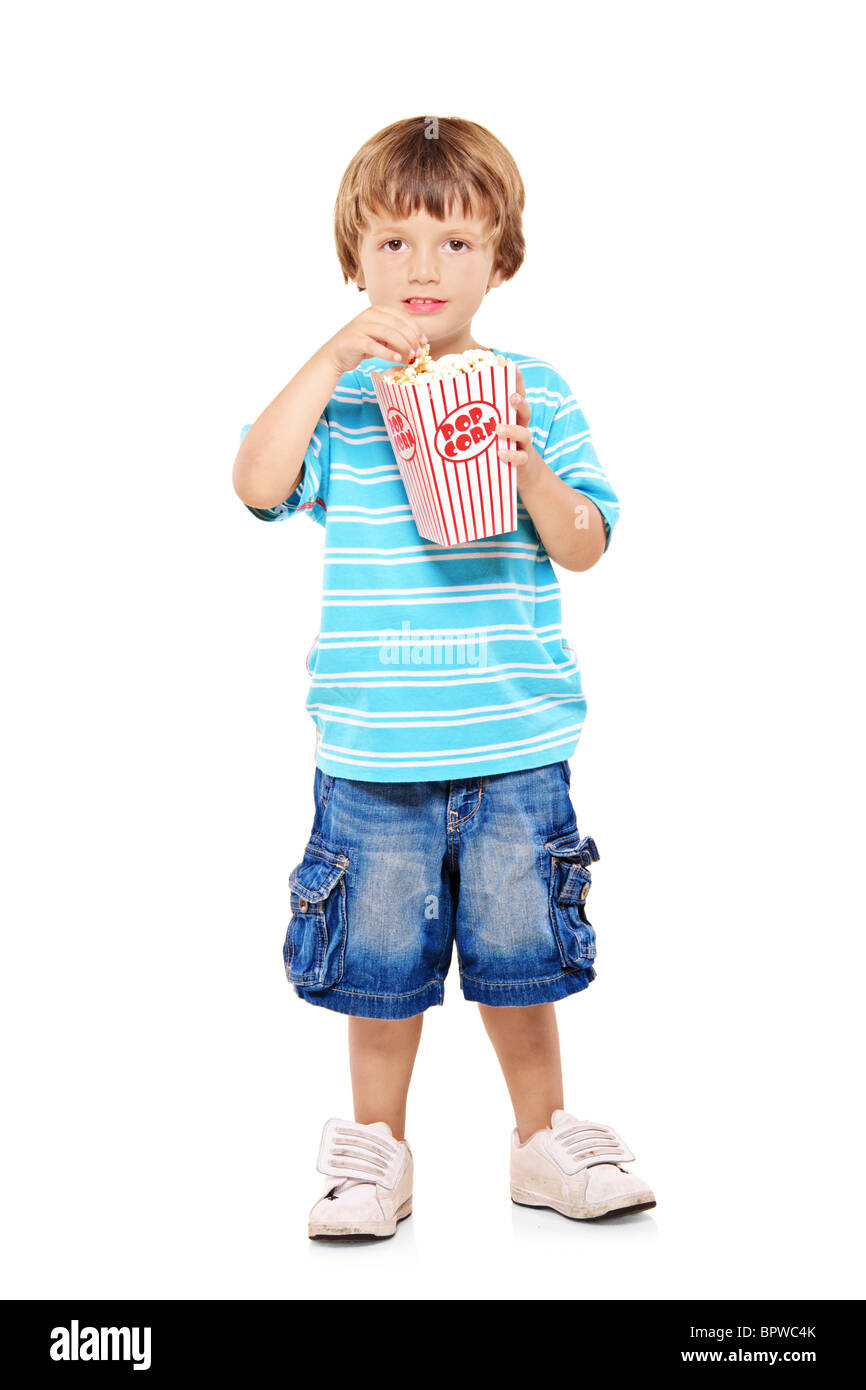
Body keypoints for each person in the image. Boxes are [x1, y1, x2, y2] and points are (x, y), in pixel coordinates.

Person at [232, 116, 656, 1239]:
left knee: (523, 964)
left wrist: (526, 473)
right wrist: (327, 364)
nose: (424, 267)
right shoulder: (346, 403)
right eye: (394, 243)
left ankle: (540, 1139)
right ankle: (376, 1149)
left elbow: (586, 540)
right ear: (354, 258)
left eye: (456, 244)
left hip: (514, 741)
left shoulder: (537, 391)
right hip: (374, 750)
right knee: (379, 970)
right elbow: (255, 484)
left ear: (501, 259)